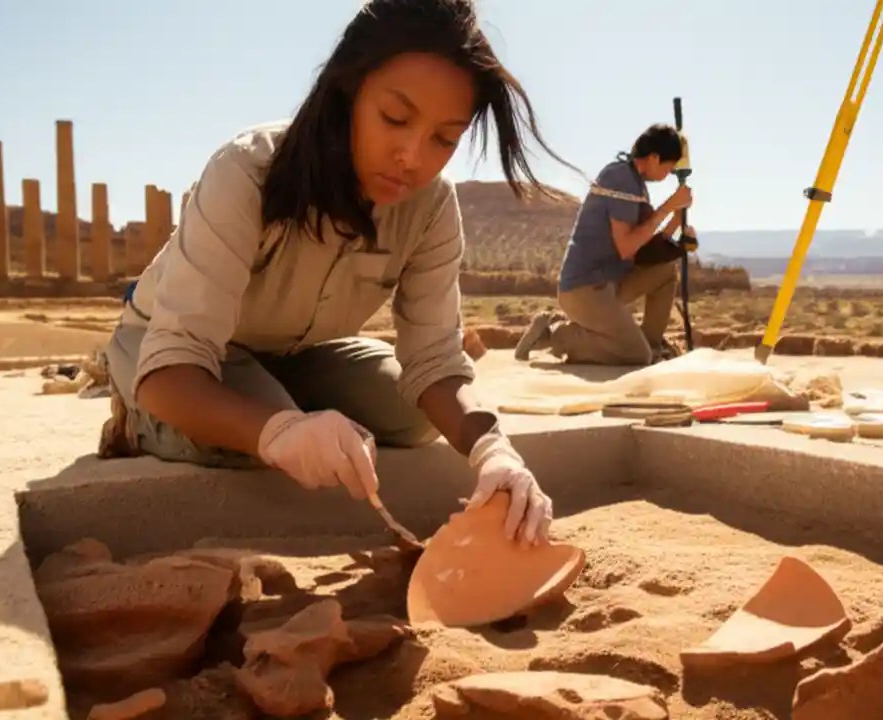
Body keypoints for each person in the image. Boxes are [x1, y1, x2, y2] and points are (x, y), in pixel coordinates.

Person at [97, 0, 574, 547]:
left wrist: (496, 452)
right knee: (260, 432)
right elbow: (173, 365)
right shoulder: (247, 171)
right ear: (347, 91)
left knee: (417, 416)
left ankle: (275, 399)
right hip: (176, 352)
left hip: (300, 354)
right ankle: (136, 420)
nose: (412, 156)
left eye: (444, 138)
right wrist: (280, 431)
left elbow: (436, 361)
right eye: (395, 118)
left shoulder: (432, 208)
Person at [514, 124, 696, 366]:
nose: (668, 174)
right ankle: (556, 334)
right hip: (585, 289)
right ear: (654, 158)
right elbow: (627, 247)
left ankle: (648, 346)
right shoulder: (620, 179)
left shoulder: (635, 183)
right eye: (668, 167)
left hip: (608, 282)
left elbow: (645, 247)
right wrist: (667, 208)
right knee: (635, 355)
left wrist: (675, 219)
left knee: (664, 273)